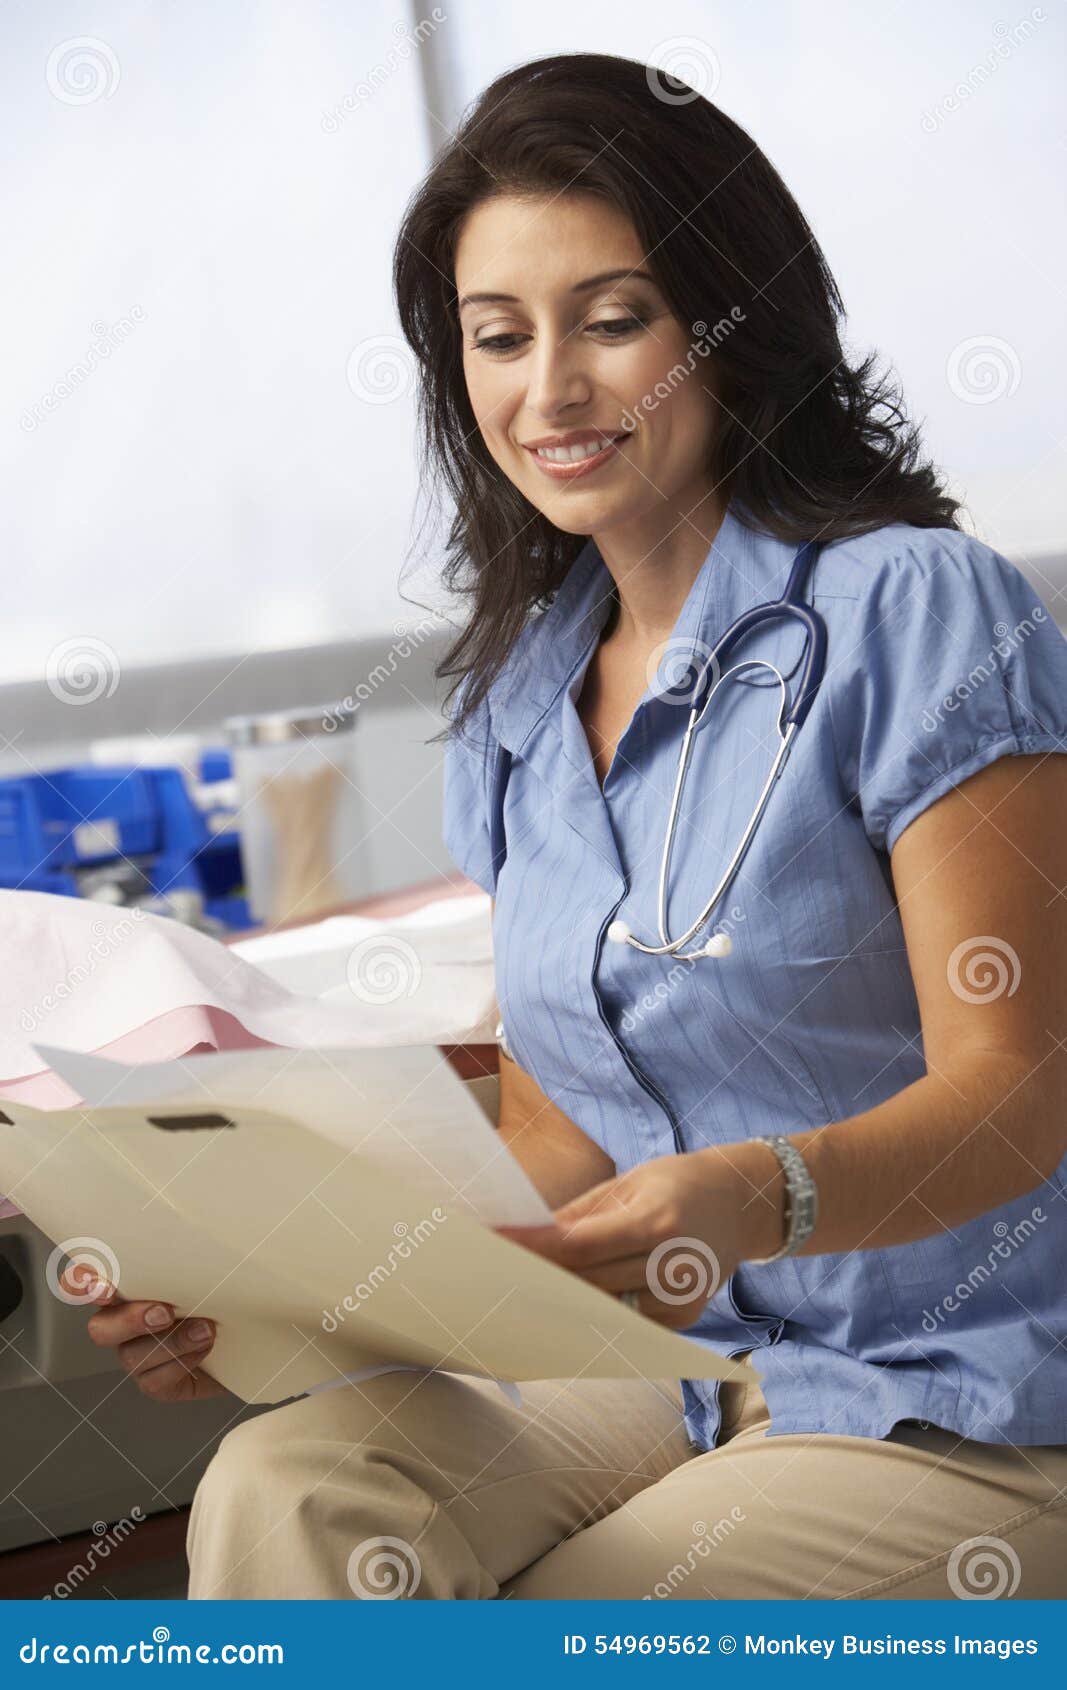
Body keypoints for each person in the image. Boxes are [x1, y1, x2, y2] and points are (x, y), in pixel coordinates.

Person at [82, 52, 1067, 1601]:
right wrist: (267, 1291)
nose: (549, 390)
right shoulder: (521, 705)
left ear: (731, 327)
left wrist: (755, 1192)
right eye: (499, 335)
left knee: (574, 1613)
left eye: (612, 321)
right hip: (679, 1364)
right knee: (291, 1481)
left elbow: (1021, 1090)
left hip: (964, 1390)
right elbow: (560, 1135)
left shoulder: (917, 611)